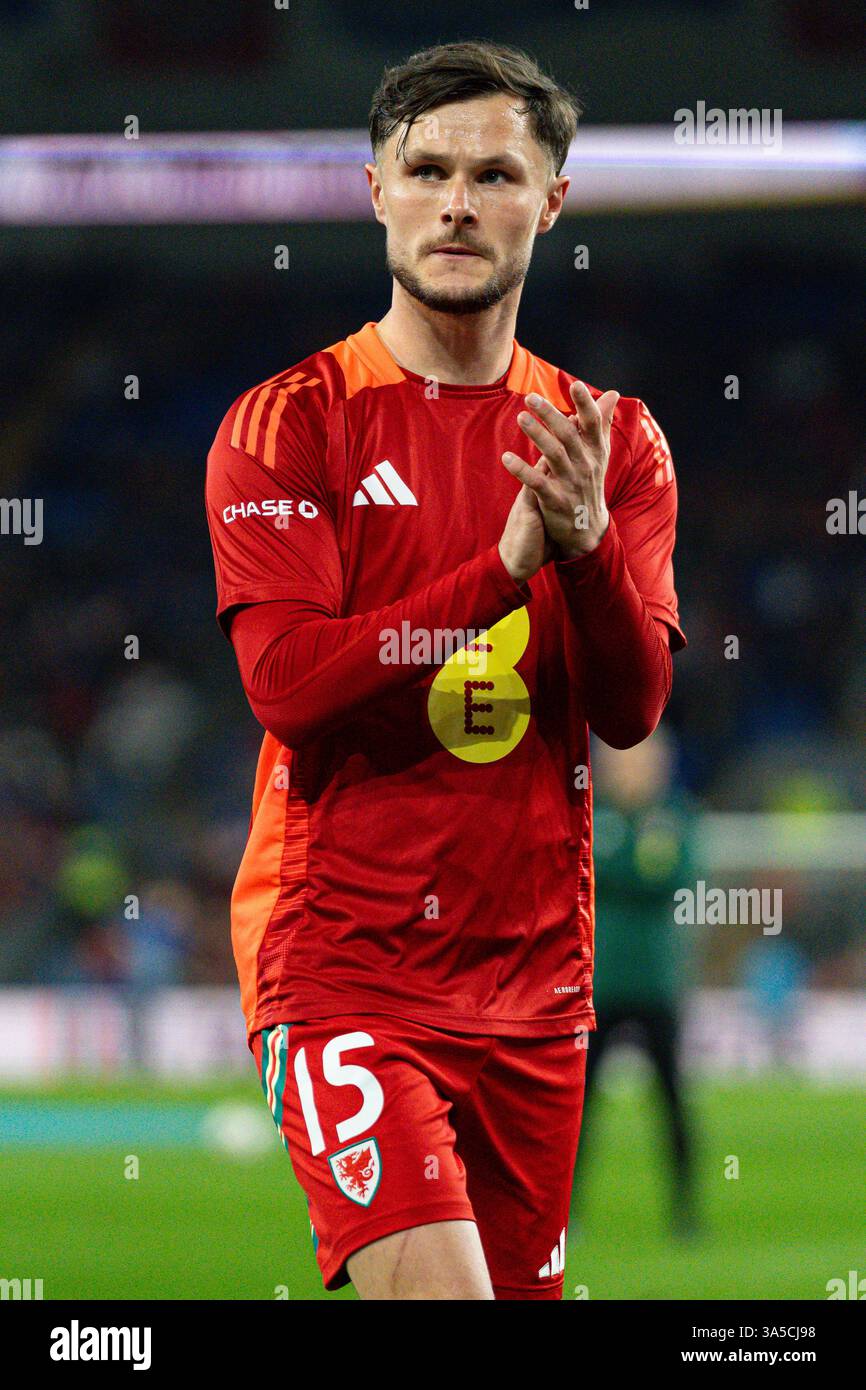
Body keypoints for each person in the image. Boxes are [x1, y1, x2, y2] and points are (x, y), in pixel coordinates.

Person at [204, 39, 686, 1300]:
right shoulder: (289, 422)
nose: (456, 203)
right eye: (426, 170)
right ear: (375, 187)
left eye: (493, 173)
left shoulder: (608, 439)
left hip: (536, 985)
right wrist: (498, 568)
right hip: (344, 965)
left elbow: (632, 710)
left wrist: (581, 553)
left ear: (552, 202)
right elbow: (291, 688)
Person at [571, 730, 700, 1237]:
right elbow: (587, 872)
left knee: (671, 1102)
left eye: (643, 762)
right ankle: (566, 1212)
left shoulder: (676, 815)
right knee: (577, 1108)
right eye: (624, 763)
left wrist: (612, 866)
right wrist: (631, 866)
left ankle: (685, 1212)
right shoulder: (590, 811)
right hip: (596, 987)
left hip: (657, 986)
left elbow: (671, 875)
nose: (633, 772)